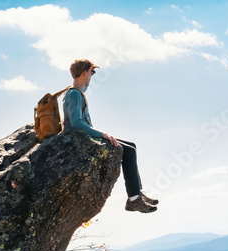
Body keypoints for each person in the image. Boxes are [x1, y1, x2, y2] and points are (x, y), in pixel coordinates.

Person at [63, 59, 159, 214]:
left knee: (131, 146)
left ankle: (137, 194)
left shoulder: (76, 92)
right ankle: (134, 199)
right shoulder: (74, 94)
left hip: (82, 136)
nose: (92, 76)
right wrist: (102, 134)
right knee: (127, 151)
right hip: (78, 139)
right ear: (83, 73)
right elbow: (76, 124)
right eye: (91, 72)